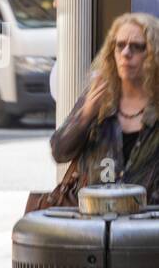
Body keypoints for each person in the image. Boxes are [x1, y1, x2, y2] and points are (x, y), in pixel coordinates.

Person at [47, 12, 159, 204]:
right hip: (94, 225)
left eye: (137, 47)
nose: (126, 53)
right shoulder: (97, 98)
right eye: (120, 45)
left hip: (147, 226)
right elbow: (59, 152)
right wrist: (85, 115)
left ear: (153, 54)